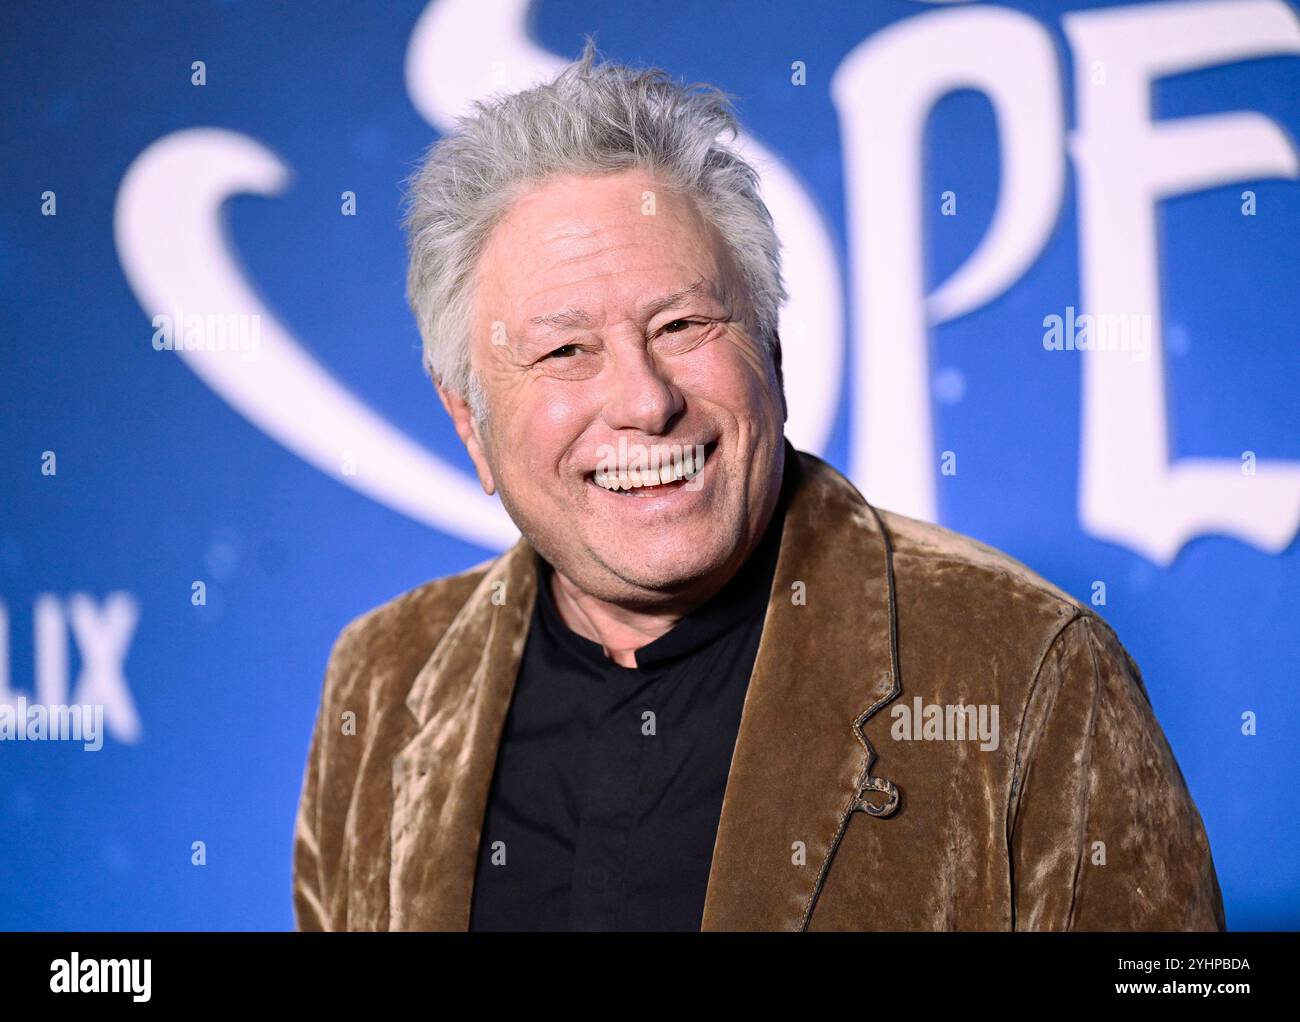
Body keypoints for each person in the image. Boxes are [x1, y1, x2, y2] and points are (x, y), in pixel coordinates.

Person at [292, 41, 1224, 931]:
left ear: (770, 356)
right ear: (471, 425)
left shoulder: (1026, 666)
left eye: (684, 325)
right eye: (565, 350)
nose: (644, 400)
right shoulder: (380, 681)